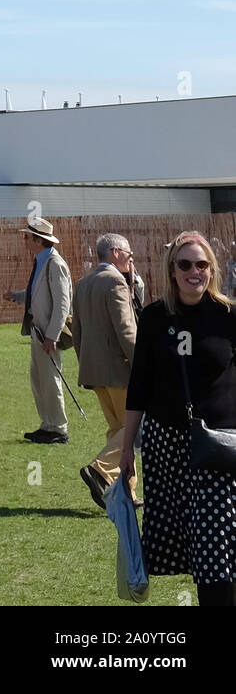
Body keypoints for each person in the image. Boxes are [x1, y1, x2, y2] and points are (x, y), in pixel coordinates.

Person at [121, 231, 236, 606]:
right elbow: (139, 386)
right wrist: (126, 451)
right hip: (166, 448)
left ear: (211, 270)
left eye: (201, 265)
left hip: (218, 449)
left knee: (213, 546)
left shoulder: (228, 315)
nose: (194, 272)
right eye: (185, 264)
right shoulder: (155, 317)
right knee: (194, 546)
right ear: (172, 270)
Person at [71, 232, 139, 509]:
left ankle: (125, 492)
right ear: (115, 252)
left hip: (94, 370)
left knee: (117, 431)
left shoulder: (84, 282)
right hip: (119, 370)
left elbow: (77, 332)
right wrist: (144, 366)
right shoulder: (114, 281)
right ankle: (100, 470)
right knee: (134, 430)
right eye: (128, 253)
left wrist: (85, 362)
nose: (131, 257)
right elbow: (127, 330)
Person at [4, 217, 73, 444]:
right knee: (39, 379)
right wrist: (17, 296)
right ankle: (47, 425)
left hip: (46, 333)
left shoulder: (55, 263)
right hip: (37, 330)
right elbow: (37, 291)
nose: (24, 239)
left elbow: (63, 303)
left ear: (38, 240)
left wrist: (53, 335)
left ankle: (58, 429)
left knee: (50, 379)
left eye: (27, 236)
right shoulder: (42, 260)